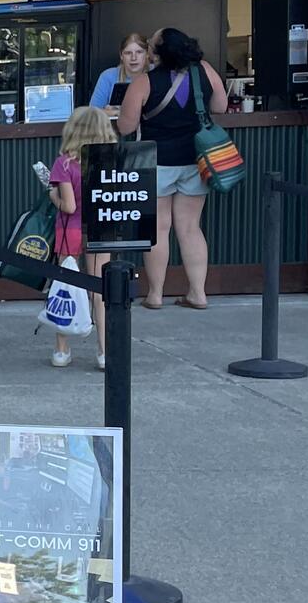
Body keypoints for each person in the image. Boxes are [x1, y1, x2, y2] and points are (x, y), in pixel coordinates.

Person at [119, 26, 231, 310]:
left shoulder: (144, 81)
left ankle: (155, 295)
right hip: (196, 160)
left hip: (156, 161)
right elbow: (220, 105)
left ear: (156, 53)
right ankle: (198, 293)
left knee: (158, 229)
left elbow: (126, 126)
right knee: (191, 228)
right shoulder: (204, 69)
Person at [48, 106, 116, 371]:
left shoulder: (64, 163)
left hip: (70, 230)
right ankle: (104, 351)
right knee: (99, 290)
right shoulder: (110, 162)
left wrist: (51, 194)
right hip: (101, 228)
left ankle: (62, 349)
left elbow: (68, 207)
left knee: (65, 287)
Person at [90, 32, 148, 110]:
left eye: (139, 52)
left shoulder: (156, 73)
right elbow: (93, 112)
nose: (133, 58)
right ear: (121, 55)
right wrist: (117, 113)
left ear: (147, 54)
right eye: (128, 53)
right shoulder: (108, 76)